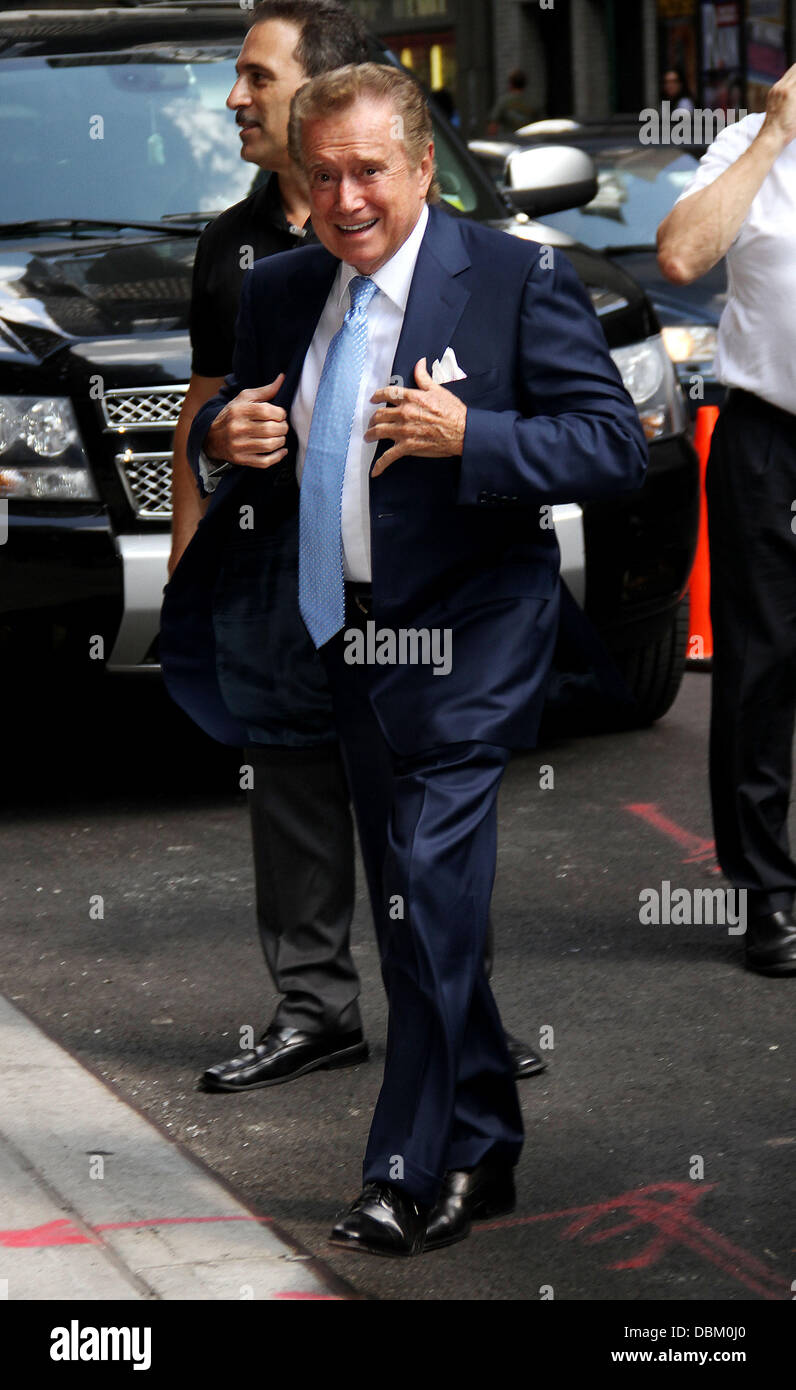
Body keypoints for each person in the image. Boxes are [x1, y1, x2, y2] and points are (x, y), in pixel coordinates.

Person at [181, 62, 647, 1255]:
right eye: (322, 174)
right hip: (345, 638)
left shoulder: (515, 277)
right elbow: (231, 429)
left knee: (427, 888)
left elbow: (612, 446)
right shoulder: (283, 287)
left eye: (369, 171)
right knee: (417, 914)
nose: (345, 199)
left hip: (471, 634)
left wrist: (473, 434)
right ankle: (484, 1140)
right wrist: (229, 437)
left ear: (424, 166)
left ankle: (405, 1166)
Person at [165, 0, 544, 1088]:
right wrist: (210, 481)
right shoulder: (236, 248)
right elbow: (212, 405)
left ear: (330, 89)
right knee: (290, 776)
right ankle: (314, 1008)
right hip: (280, 568)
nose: (237, 97)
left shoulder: (450, 241)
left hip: (421, 582)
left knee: (423, 805)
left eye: (258, 76)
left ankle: (455, 1012)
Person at [657, 64, 796, 977]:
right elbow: (680, 256)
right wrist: (774, 135)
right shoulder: (748, 146)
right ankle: (769, 894)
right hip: (771, 437)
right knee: (759, 667)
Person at [486, 68, 537, 137]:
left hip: (509, 139)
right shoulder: (532, 102)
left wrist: (492, 139)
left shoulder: (503, 101)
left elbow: (493, 125)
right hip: (528, 139)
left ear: (511, 84)